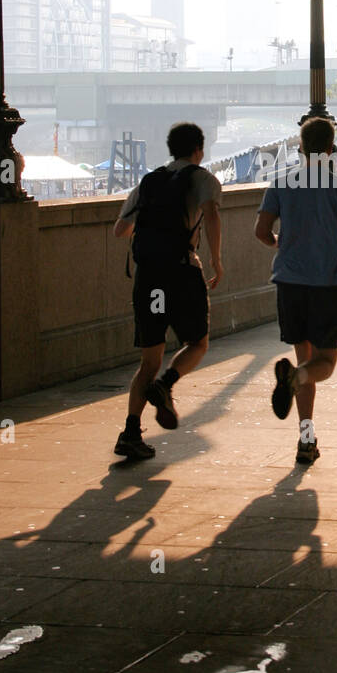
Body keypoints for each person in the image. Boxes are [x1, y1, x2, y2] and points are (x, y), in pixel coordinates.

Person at [254, 116, 337, 465]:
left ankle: (306, 437)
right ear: (332, 150)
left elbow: (261, 230)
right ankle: (296, 378)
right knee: (323, 365)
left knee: (304, 355)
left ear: (300, 147)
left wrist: (281, 244)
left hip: (289, 282)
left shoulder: (281, 181)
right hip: (327, 283)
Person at [112, 121, 223, 459]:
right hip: (181, 274)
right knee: (197, 342)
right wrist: (216, 261)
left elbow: (120, 229)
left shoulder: (149, 181)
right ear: (199, 150)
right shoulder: (203, 178)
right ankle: (166, 383)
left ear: (170, 149)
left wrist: (153, 241)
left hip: (150, 280)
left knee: (149, 360)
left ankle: (130, 432)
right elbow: (212, 216)